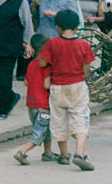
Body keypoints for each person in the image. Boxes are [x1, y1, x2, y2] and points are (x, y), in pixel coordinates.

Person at [37, 9, 95, 170]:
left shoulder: (52, 43)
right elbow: (86, 70)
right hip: (77, 85)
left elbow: (42, 63)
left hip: (57, 87)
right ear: (77, 27)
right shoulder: (84, 44)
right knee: (80, 119)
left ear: (58, 27)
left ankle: (64, 155)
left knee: (59, 120)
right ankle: (79, 153)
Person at [13, 34, 55, 165]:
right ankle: (22, 152)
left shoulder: (31, 64)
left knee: (44, 129)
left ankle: (48, 152)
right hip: (43, 105)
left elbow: (26, 82)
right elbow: (47, 85)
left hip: (32, 104)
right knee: (39, 132)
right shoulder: (47, 66)